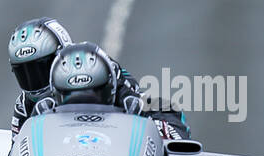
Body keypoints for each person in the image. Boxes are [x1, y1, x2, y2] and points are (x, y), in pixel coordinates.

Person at [33, 40, 192, 140]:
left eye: (94, 95)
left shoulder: (133, 101)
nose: (84, 111)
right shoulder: (42, 110)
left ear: (111, 88)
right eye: (70, 98)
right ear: (56, 94)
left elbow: (181, 144)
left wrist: (156, 128)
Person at [7, 16, 74, 135]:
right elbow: (16, 148)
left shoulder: (99, 78)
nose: (33, 78)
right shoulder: (23, 105)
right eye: (24, 72)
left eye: (42, 68)